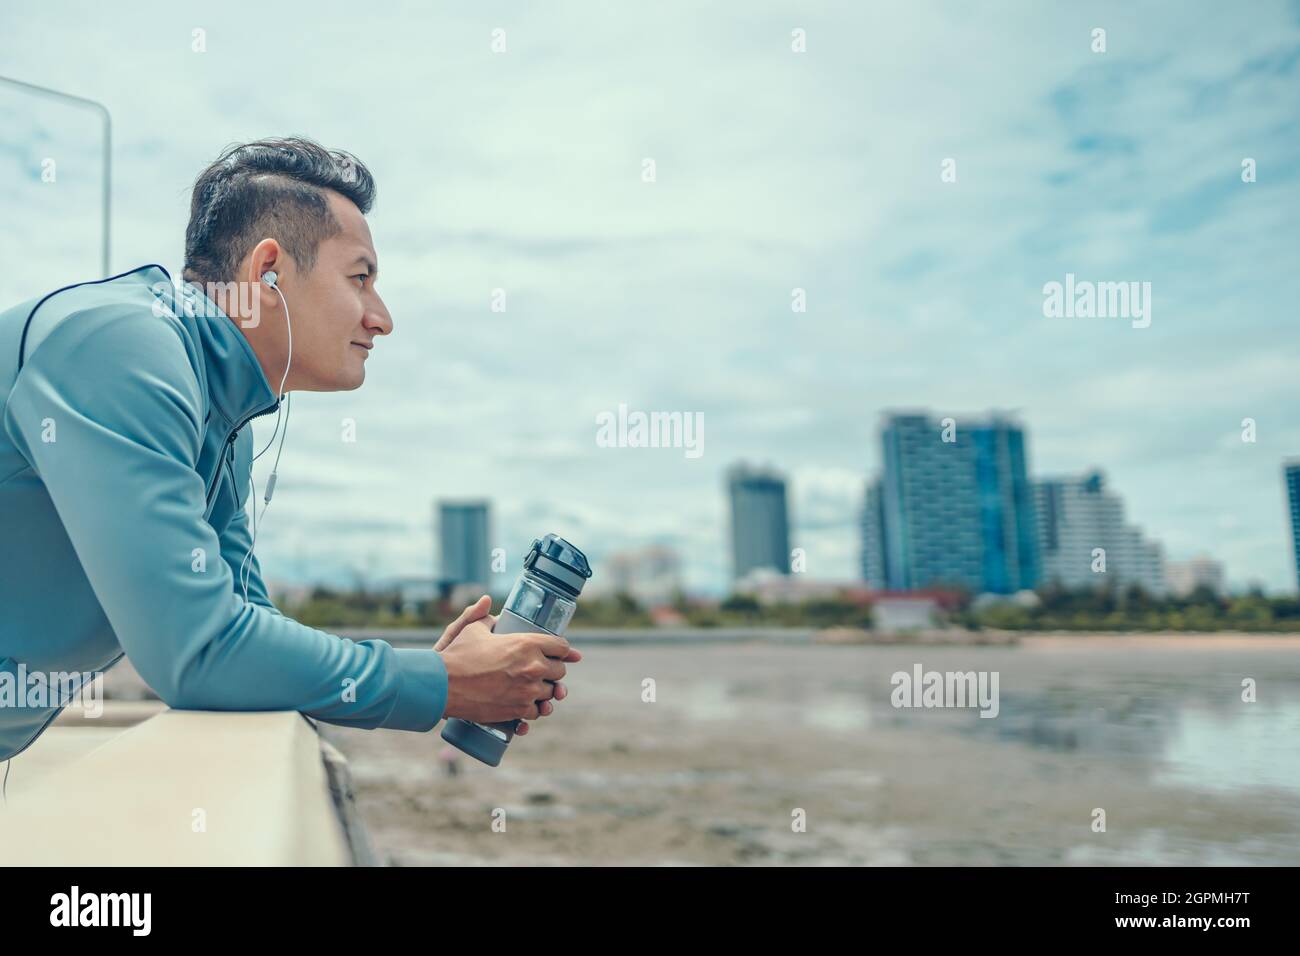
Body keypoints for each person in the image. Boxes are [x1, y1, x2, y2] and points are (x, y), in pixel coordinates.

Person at [0, 137, 579, 764]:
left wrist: (442, 670)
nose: (381, 318)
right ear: (266, 272)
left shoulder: (223, 417)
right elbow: (196, 652)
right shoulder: (120, 349)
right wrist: (442, 684)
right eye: (361, 278)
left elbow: (246, 628)